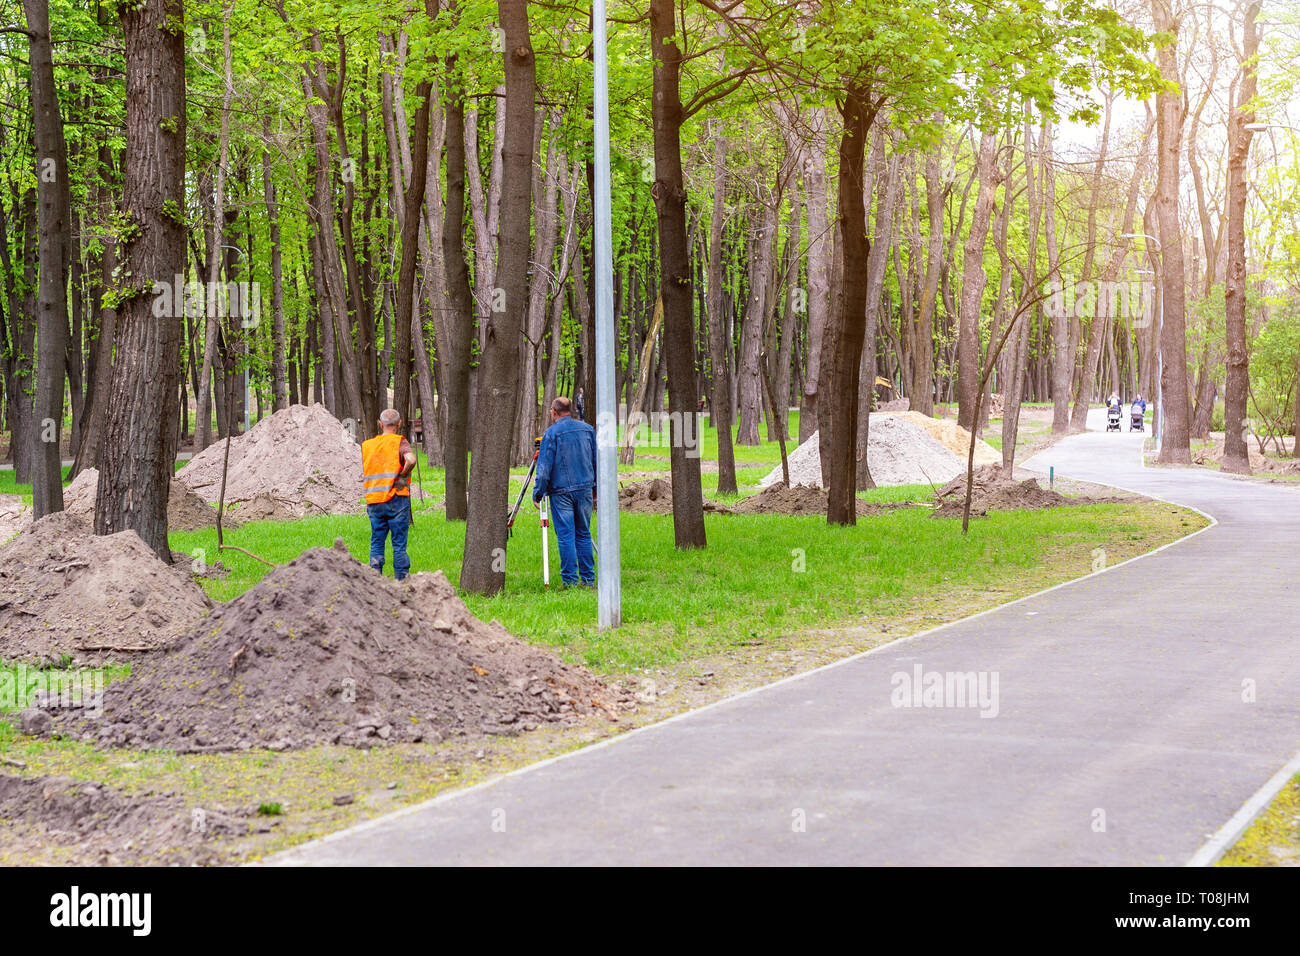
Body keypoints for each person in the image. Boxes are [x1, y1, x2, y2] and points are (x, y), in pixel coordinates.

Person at [533, 396, 597, 588]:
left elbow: (544, 468)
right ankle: (588, 579)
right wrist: (595, 489)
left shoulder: (551, 434)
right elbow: (595, 461)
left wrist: (538, 492)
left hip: (561, 492)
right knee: (584, 533)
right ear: (571, 410)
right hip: (585, 488)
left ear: (554, 411)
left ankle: (569, 581)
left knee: (566, 535)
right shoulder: (587, 430)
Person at [361, 408, 417, 580]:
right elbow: (411, 460)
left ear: (380, 424)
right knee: (399, 545)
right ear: (399, 424)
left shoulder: (367, 445)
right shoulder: (400, 441)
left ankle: (375, 582)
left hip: (374, 500)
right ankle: (401, 583)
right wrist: (403, 476)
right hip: (396, 500)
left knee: (377, 542)